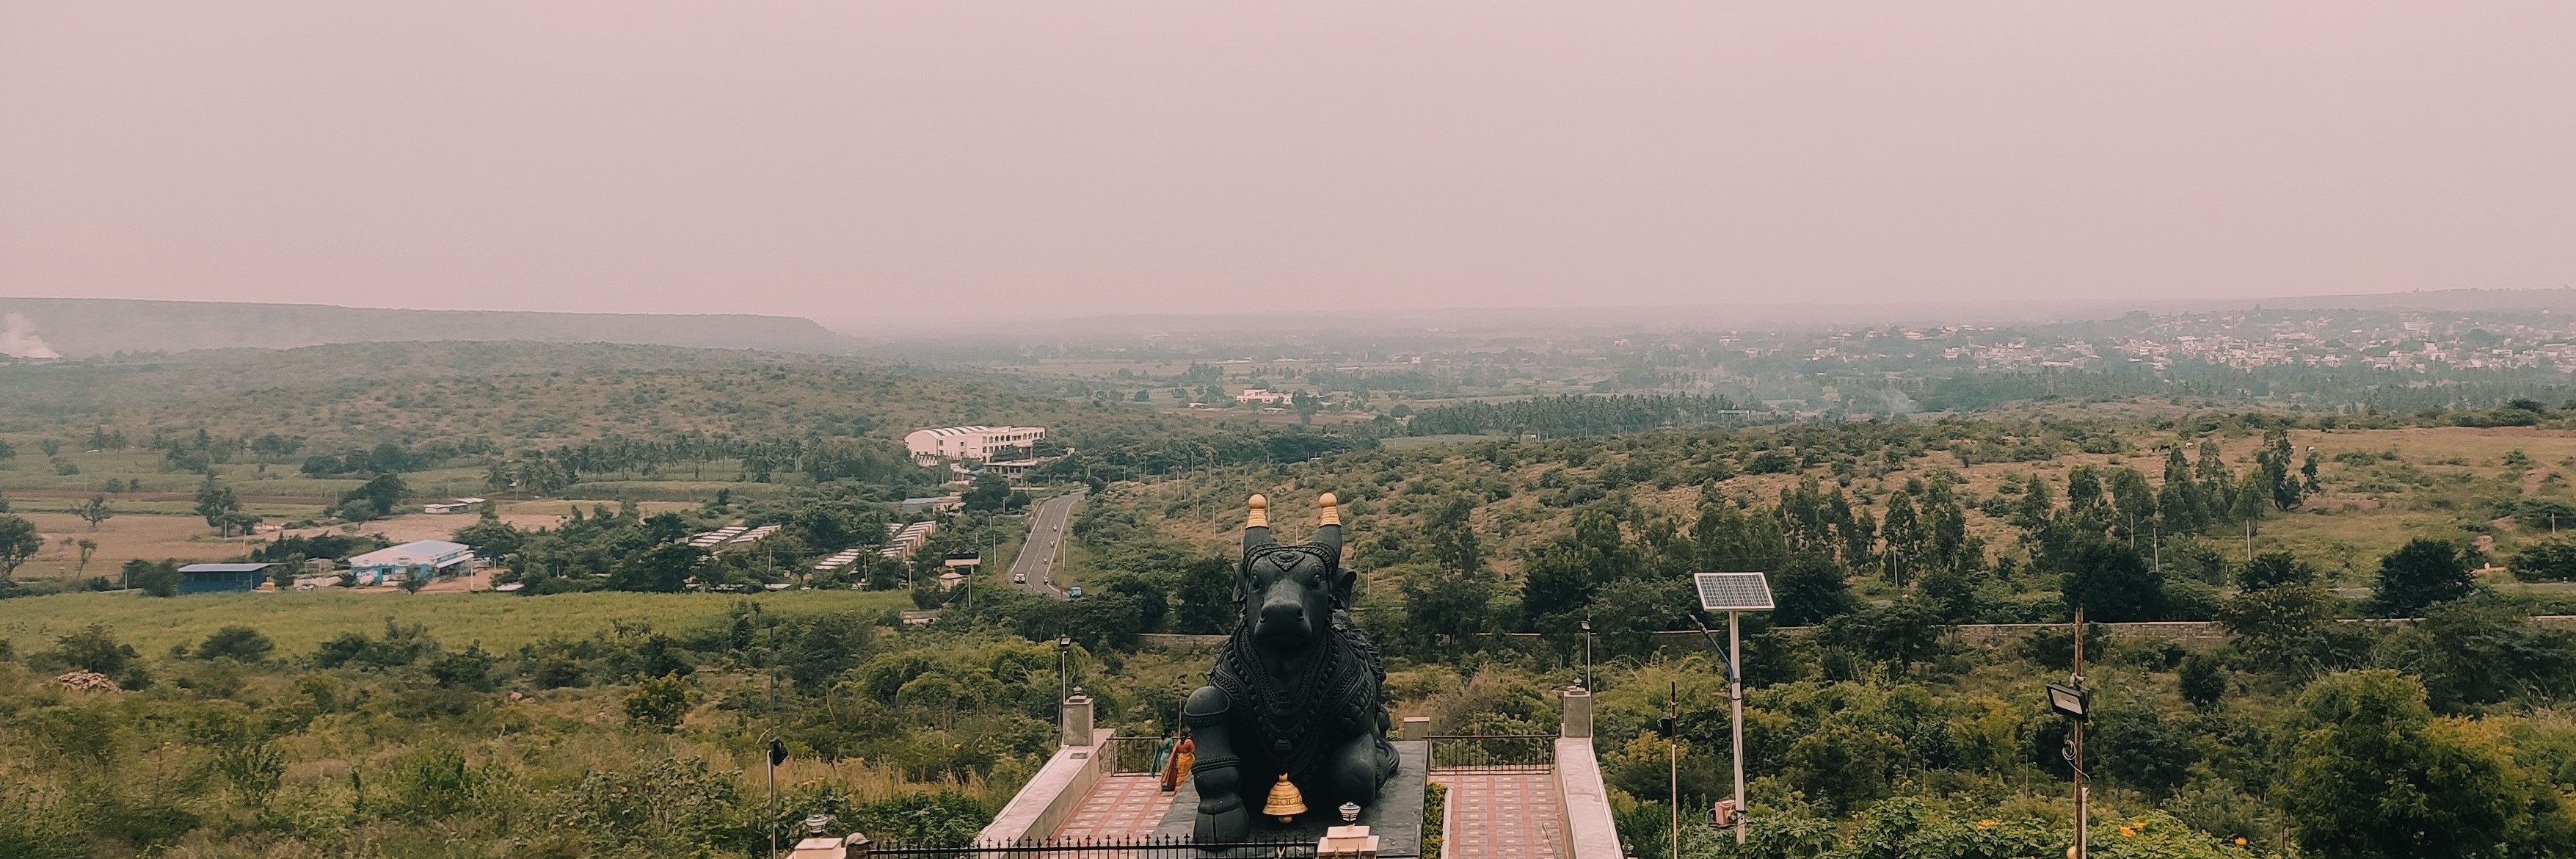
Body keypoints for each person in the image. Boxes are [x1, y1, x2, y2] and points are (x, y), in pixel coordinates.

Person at [1161, 727, 1196, 793]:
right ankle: (1184, 787)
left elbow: (1175, 751)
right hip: (1188, 759)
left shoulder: (1179, 742)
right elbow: (1193, 750)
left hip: (1181, 758)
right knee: (1187, 773)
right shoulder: (1189, 742)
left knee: (1180, 773)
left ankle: (1178, 785)